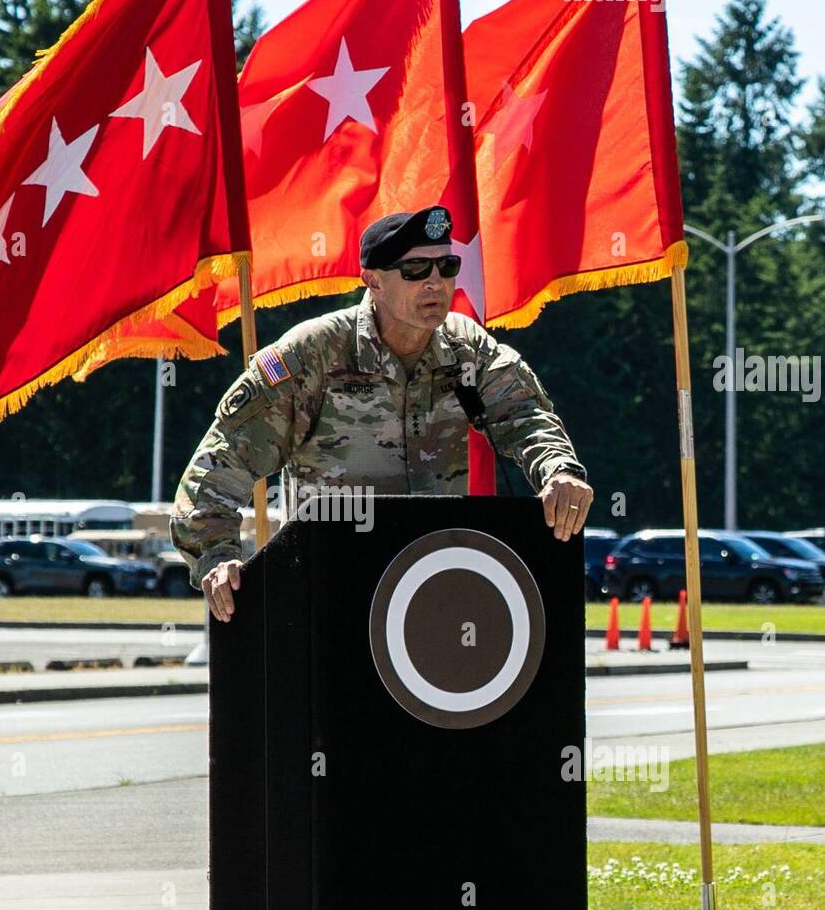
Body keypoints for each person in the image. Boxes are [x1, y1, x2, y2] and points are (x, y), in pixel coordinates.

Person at [171, 205, 593, 621]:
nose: (435, 283)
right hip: (330, 595)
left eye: (447, 267)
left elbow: (525, 416)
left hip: (433, 594)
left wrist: (559, 471)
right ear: (372, 280)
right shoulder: (314, 354)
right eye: (415, 271)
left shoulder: (466, 349)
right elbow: (220, 461)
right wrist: (217, 556)